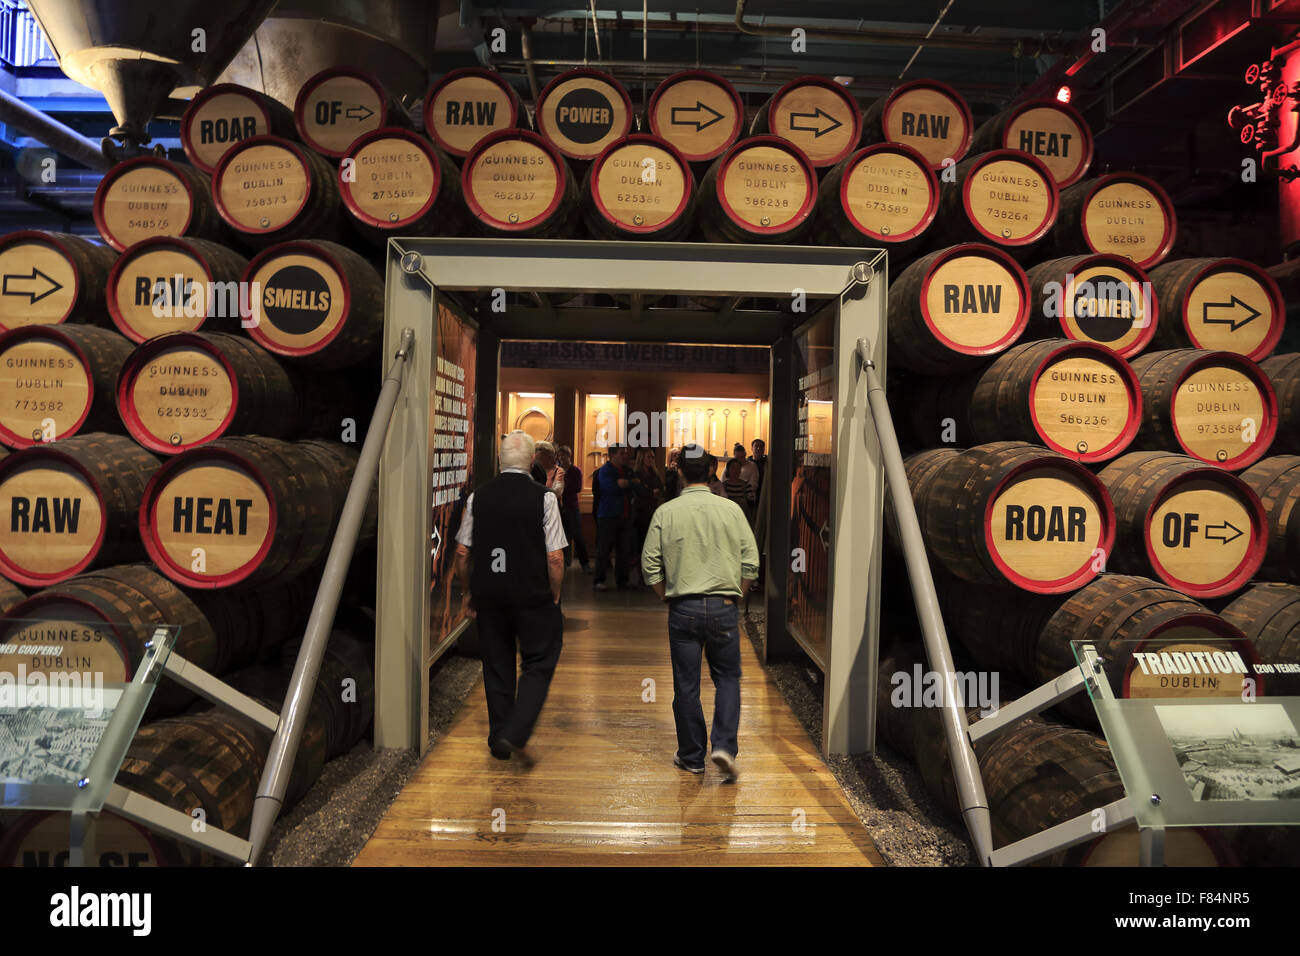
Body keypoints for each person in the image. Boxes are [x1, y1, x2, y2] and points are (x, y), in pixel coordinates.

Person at [641, 443, 759, 781]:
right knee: (727, 678)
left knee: (686, 684)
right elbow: (751, 562)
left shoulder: (666, 512)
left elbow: (650, 565)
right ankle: (723, 746)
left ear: (679, 472)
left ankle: (692, 756)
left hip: (683, 606)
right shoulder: (732, 510)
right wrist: (737, 595)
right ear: (711, 471)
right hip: (723, 606)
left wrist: (667, 596)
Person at [454, 430, 567, 766]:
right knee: (539, 660)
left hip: (489, 595)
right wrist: (555, 594)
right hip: (532, 595)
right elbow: (556, 557)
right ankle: (516, 732)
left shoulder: (478, 496)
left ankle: (499, 736)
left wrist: (468, 591)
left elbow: (462, 551)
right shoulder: (544, 498)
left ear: (500, 460)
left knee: (497, 663)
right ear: (532, 461)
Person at [592, 444, 639, 591]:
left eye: (626, 453)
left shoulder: (627, 471)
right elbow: (611, 488)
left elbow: (638, 486)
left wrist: (627, 483)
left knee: (623, 549)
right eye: (622, 453)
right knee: (603, 549)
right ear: (613, 455)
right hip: (608, 515)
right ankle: (598, 580)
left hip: (625, 515)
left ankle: (622, 580)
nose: (626, 455)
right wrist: (628, 484)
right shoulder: (605, 471)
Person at [557, 445, 590, 572]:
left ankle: (585, 563)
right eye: (559, 456)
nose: (561, 458)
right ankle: (564, 562)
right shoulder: (557, 470)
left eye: (563, 455)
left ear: (568, 456)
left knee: (578, 536)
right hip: (560, 507)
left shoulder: (575, 471)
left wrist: (564, 485)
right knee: (563, 536)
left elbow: (577, 488)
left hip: (572, 507)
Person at [632, 448, 664, 573]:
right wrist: (651, 492)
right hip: (640, 512)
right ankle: (640, 574)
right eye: (648, 457)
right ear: (642, 458)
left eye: (652, 457)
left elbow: (661, 489)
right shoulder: (637, 474)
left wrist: (655, 492)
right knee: (641, 543)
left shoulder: (654, 473)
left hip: (652, 511)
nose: (650, 460)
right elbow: (638, 491)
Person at [723, 456, 755, 522]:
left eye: (738, 468)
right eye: (733, 468)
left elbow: (751, 502)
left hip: (741, 519)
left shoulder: (746, 486)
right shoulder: (723, 486)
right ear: (728, 470)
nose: (735, 471)